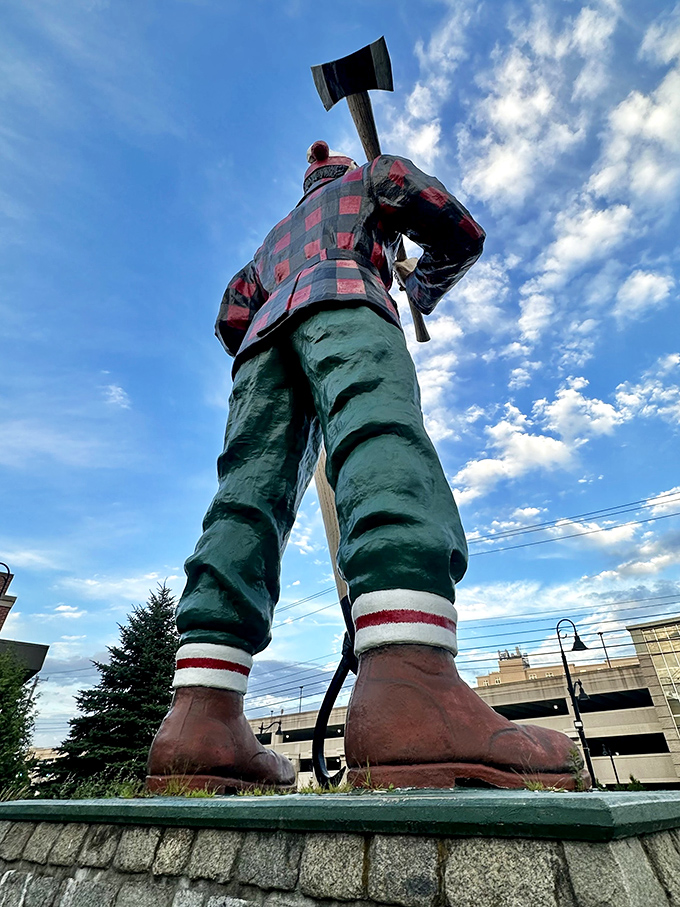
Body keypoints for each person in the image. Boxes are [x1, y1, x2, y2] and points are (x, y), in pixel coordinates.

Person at [146, 142, 590, 792]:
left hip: (263, 344)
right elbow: (456, 228)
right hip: (347, 297)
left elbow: (231, 313)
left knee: (246, 496)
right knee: (378, 438)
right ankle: (412, 692)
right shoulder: (372, 178)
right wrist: (420, 285)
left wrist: (275, 326)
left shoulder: (270, 241)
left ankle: (198, 718)